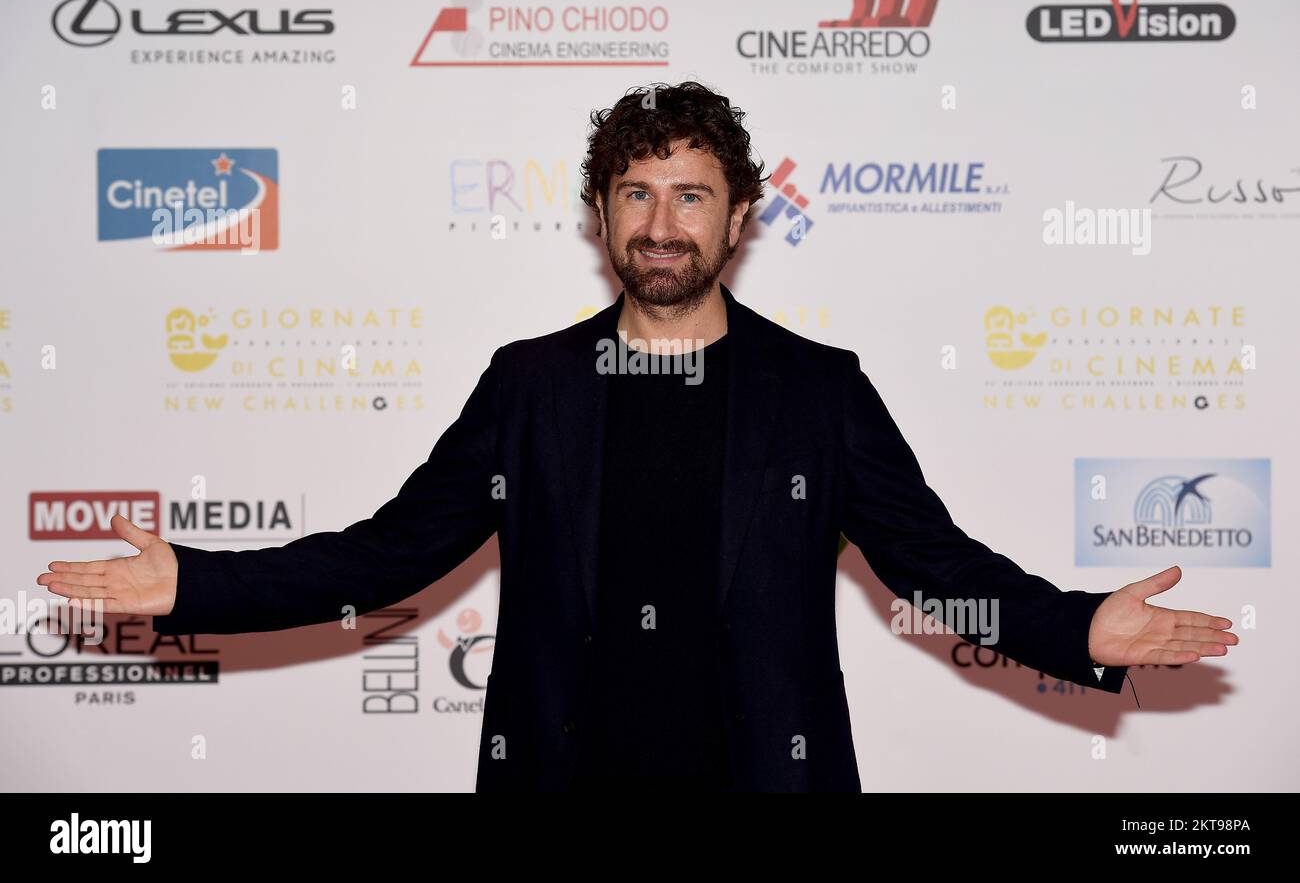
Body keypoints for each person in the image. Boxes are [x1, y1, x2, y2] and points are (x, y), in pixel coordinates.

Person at [38, 81, 1239, 791]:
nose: (661, 223)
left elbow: (935, 562)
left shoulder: (816, 388)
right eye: (635, 192)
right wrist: (194, 579)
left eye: (691, 193)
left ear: (739, 219)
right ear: (602, 213)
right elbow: (384, 555)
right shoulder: (532, 386)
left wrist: (1079, 624)